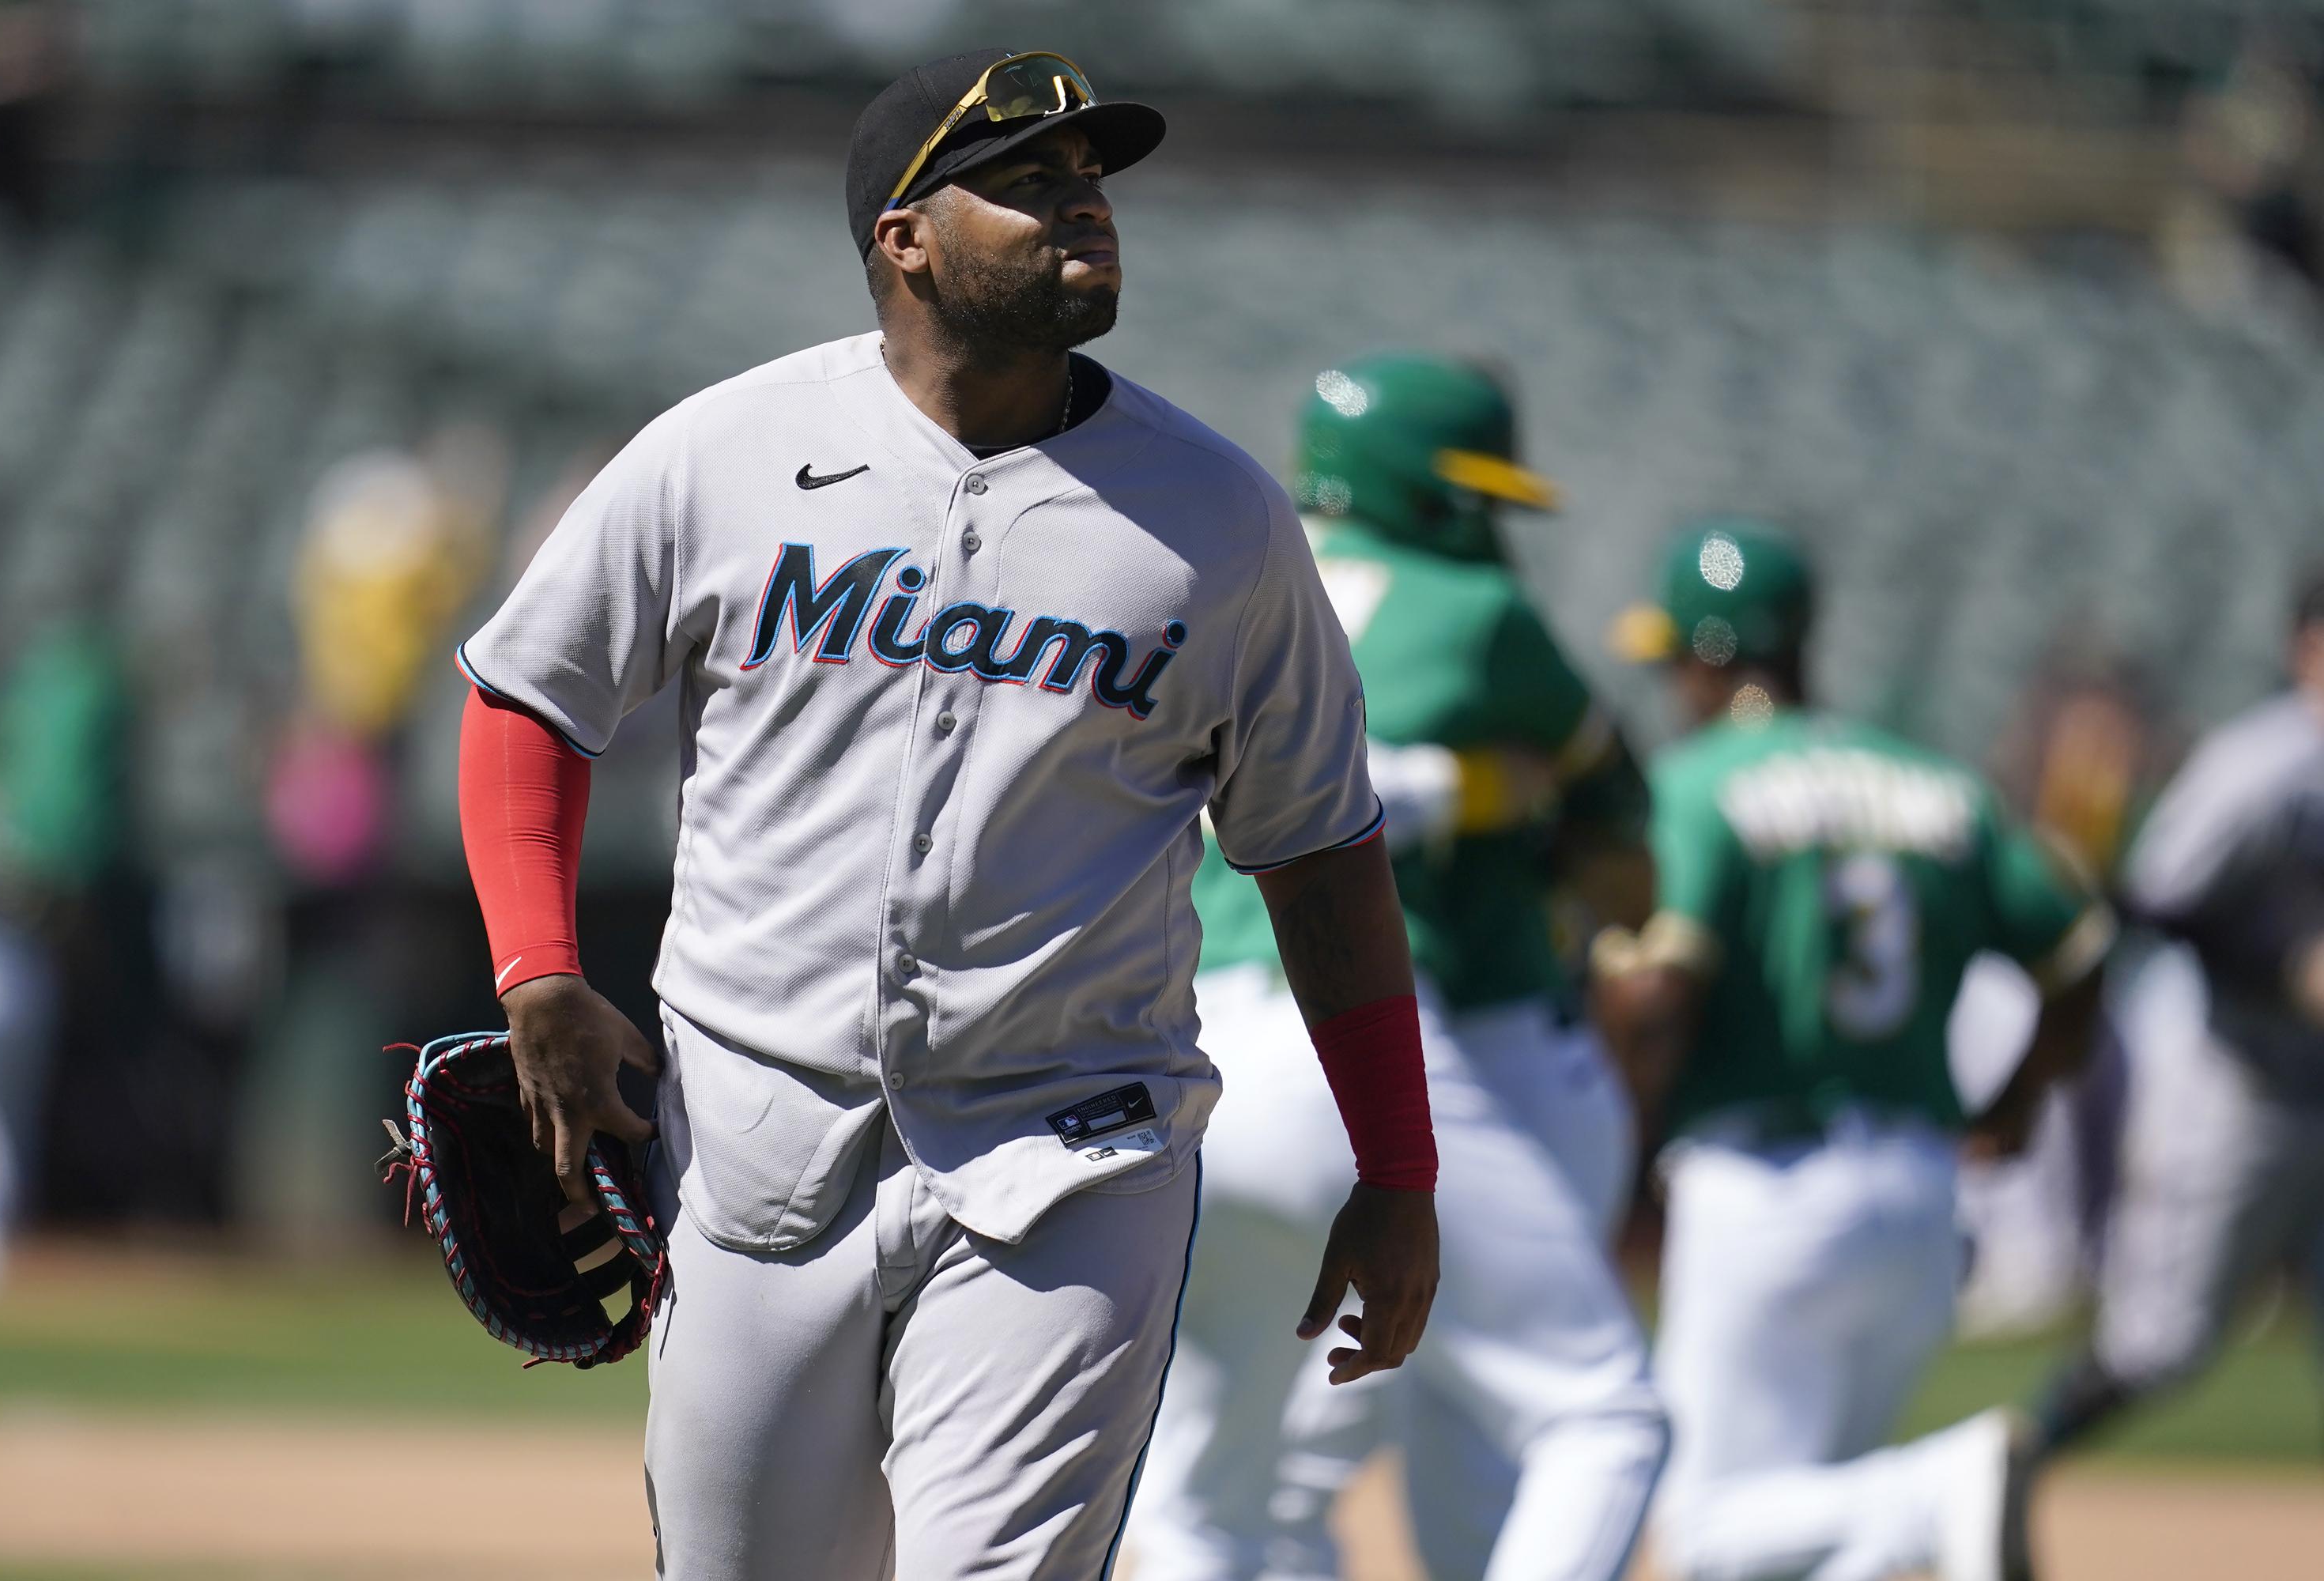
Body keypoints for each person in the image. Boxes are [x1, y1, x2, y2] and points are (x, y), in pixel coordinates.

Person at [449, 48, 1440, 1581]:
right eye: (1029, 181)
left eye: (1091, 178)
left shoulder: (1220, 519)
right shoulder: (728, 450)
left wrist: (1400, 1168)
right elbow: (532, 696)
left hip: (1075, 1150)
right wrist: (538, 968)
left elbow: (1321, 855)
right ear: (903, 236)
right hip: (754, 1142)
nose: (1082, 209)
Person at [1134, 356, 1666, 1581]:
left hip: (1186, 1058)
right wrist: (1482, 790)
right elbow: (1619, 824)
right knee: (1600, 1414)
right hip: (1367, 1054)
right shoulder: (1475, 609)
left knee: (1222, 1500)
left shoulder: (1215, 587)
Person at [1592, 520, 2115, 1581]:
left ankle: (1941, 1490)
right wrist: (2011, 1103)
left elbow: (1657, 999)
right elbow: (2080, 954)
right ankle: (1926, 1503)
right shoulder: (1938, 785)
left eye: (1675, 664)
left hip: (1765, 1182)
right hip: (1920, 1193)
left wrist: (1626, 1154)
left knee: (1710, 1535)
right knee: (1820, 1524)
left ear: (1709, 656)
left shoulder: (1698, 784)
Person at [2027, 570, 2324, 1459]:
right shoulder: (2264, 761)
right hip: (2246, 1089)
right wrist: (2282, 962)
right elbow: (2154, 895)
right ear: (2306, 646)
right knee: (2161, 1344)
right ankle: (2003, 1464)